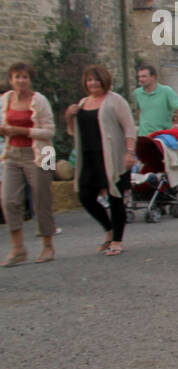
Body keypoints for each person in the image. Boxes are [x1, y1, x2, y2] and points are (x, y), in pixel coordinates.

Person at [66, 65, 136, 257]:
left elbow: (129, 128)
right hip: (89, 157)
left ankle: (117, 240)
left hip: (112, 157)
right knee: (85, 196)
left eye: (96, 79)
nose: (93, 83)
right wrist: (69, 116)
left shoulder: (115, 101)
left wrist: (130, 153)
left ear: (104, 80)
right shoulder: (82, 103)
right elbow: (74, 131)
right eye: (89, 80)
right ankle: (108, 229)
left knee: (115, 198)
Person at [1, 63, 56, 265]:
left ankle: (48, 246)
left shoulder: (39, 100)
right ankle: (18, 248)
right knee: (8, 200)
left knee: (42, 199)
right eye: (17, 77)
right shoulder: (5, 99)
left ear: (30, 80)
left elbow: (50, 131)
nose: (21, 80)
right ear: (11, 80)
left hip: (43, 153)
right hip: (12, 153)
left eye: (24, 77)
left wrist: (22, 131)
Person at [132, 65, 178, 136]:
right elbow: (138, 111)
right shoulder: (137, 93)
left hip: (163, 135)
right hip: (144, 135)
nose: (140, 79)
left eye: (143, 76)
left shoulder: (166, 91)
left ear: (153, 77)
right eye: (139, 76)